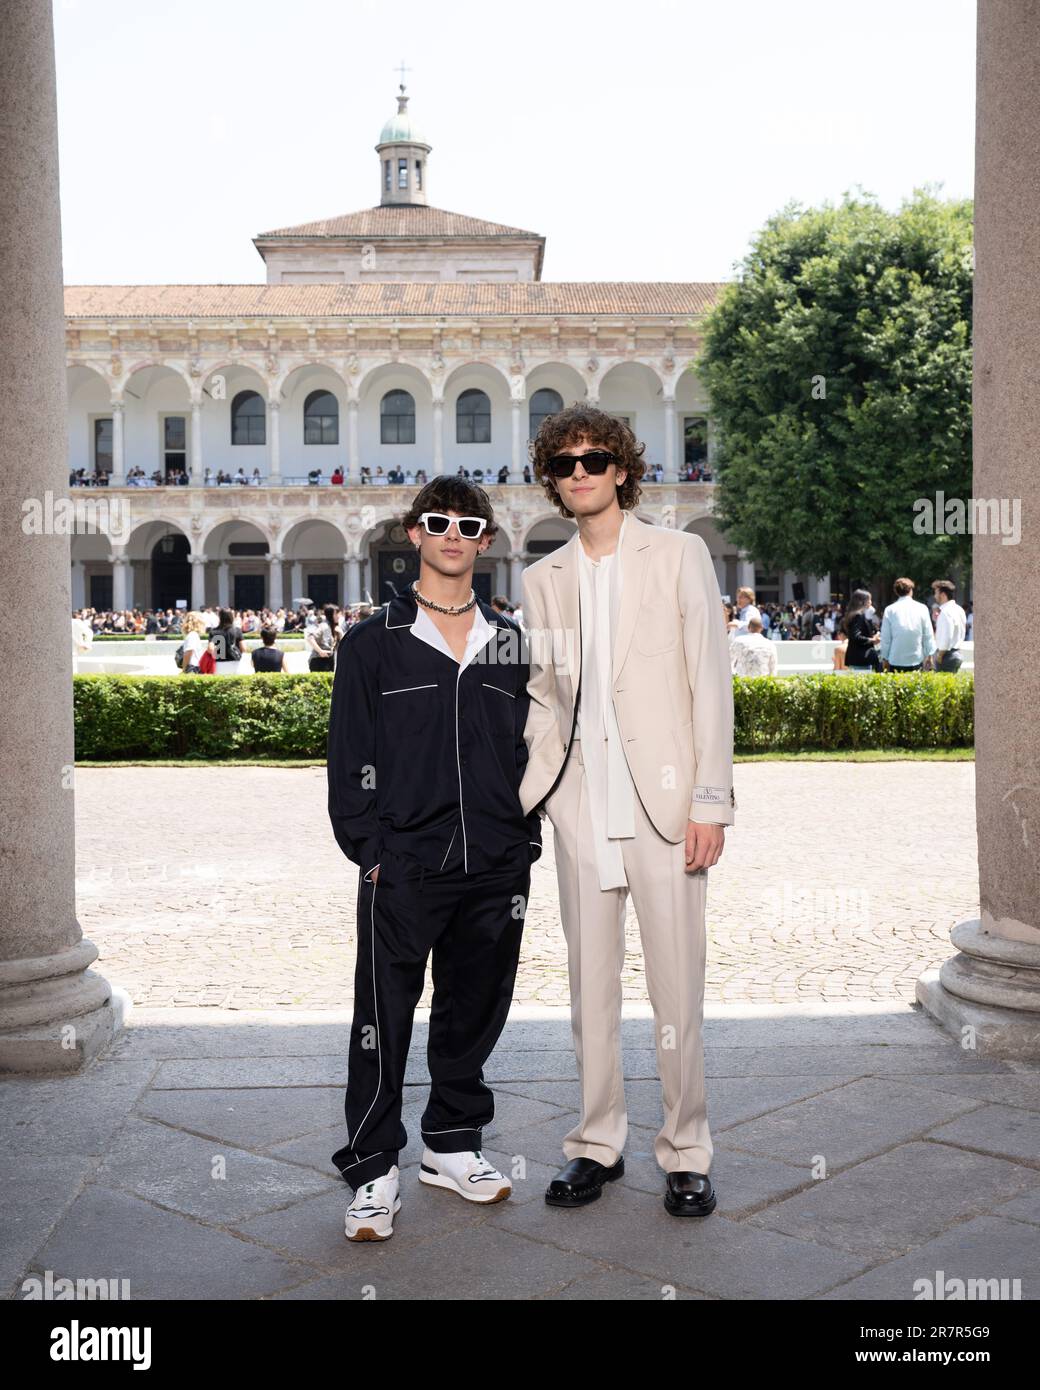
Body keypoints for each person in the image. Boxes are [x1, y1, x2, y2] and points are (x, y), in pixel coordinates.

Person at [520, 405, 733, 1219]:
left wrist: (710, 801)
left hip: (667, 808)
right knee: (589, 992)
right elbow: (546, 696)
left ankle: (686, 1149)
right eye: (566, 462)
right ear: (554, 478)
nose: (581, 472)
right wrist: (534, 798)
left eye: (595, 458)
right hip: (581, 809)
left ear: (622, 470)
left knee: (677, 989)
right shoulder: (544, 581)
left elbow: (709, 683)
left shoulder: (679, 555)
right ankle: (595, 1144)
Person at [327, 477, 541, 1241]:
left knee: (475, 1006)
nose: (454, 533)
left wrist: (526, 838)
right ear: (414, 533)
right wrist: (370, 852)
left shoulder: (512, 641)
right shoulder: (371, 641)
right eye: (439, 521)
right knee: (381, 1018)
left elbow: (532, 750)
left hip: (494, 859)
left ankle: (451, 1143)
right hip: (404, 863)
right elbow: (351, 756)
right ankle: (374, 1166)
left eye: (470, 524)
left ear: (486, 542)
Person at [879, 578, 937, 672]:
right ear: (911, 590)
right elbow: (928, 634)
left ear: (896, 592)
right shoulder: (922, 608)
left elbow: (886, 638)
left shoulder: (889, 610)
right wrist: (929, 655)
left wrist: (885, 658)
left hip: (895, 659)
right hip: (916, 658)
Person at [931, 578, 967, 673]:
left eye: (936, 593)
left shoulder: (946, 612)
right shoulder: (959, 609)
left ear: (943, 595)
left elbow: (947, 636)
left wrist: (940, 655)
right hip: (956, 653)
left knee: (942, 687)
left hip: (946, 656)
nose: (935, 596)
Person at [841, 590, 881, 670]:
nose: (870, 602)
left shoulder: (853, 614)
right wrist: (872, 640)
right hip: (861, 657)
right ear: (863, 601)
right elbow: (856, 636)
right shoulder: (858, 616)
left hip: (856, 657)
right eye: (869, 599)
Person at [208, 607, 244, 675]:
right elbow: (244, 648)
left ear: (220, 617)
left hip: (219, 664)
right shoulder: (237, 630)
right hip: (235, 663)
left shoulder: (213, 632)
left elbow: (210, 649)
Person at [306, 604, 337, 672]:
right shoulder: (324, 626)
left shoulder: (332, 627)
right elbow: (310, 638)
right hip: (319, 660)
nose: (337, 616)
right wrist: (320, 651)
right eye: (336, 613)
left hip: (328, 660)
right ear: (331, 615)